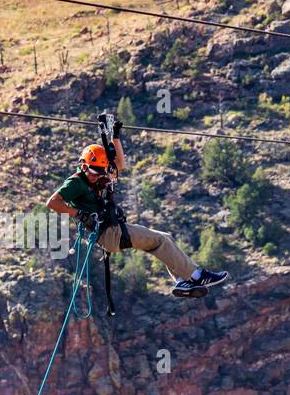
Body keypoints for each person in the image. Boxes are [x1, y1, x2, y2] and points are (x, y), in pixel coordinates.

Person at [44, 114, 228, 298]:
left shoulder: (97, 178)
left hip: (113, 229)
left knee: (165, 238)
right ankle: (198, 276)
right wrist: (78, 213)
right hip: (108, 234)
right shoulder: (75, 183)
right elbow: (52, 202)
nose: (98, 176)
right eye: (94, 173)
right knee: (160, 241)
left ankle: (182, 282)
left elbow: (120, 165)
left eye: (100, 173)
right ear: (83, 166)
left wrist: (115, 137)